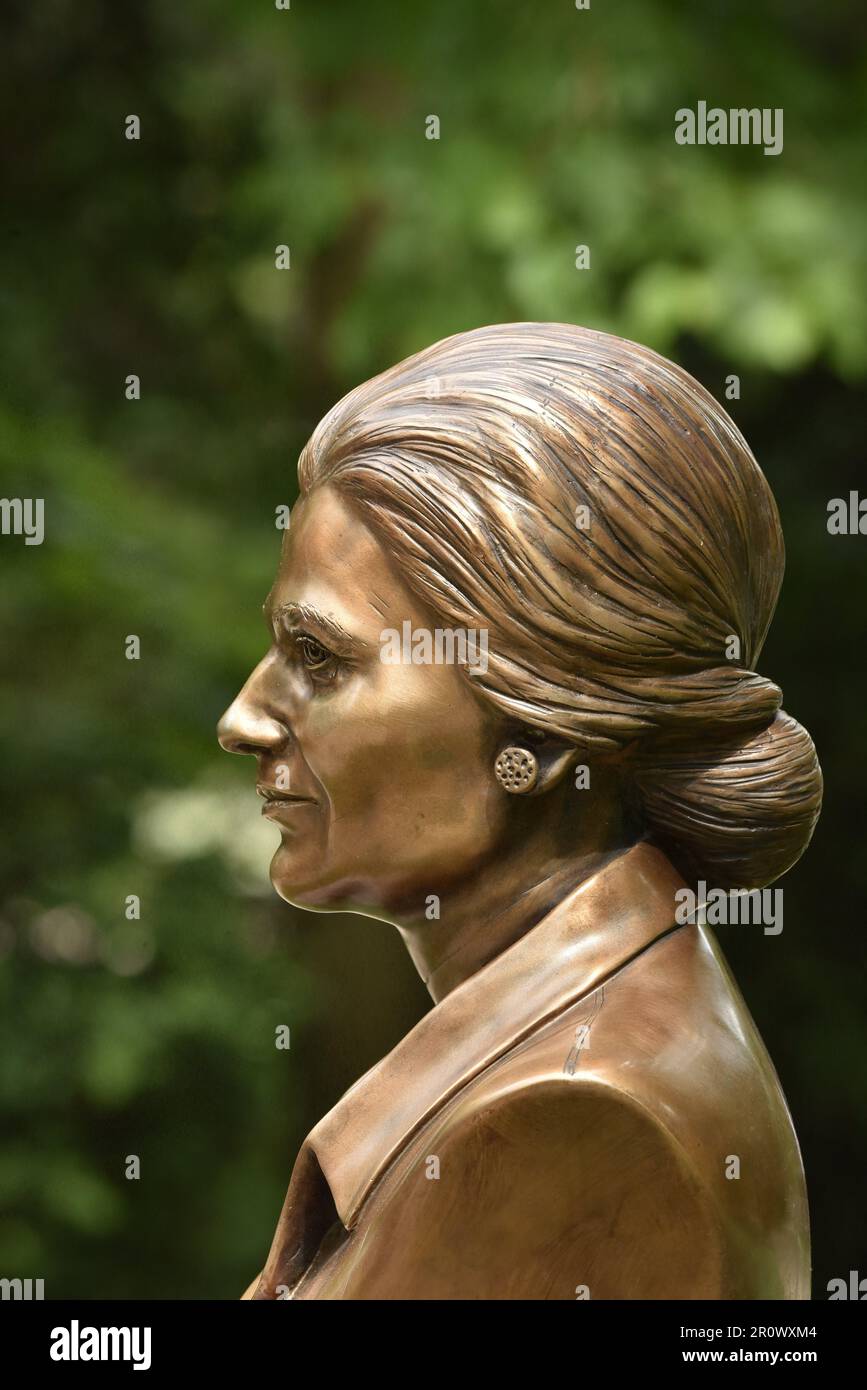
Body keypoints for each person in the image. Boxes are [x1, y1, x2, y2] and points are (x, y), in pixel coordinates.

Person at [218, 322, 821, 1299]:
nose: (243, 717)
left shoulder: (578, 1120)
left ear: (538, 737)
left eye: (320, 657)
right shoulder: (582, 1046)